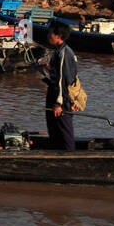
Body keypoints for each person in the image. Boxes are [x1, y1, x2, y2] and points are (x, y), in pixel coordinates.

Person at [41, 19, 79, 151]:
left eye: (50, 33)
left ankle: (70, 158)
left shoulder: (64, 53)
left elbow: (64, 80)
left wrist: (59, 104)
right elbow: (56, 76)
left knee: (64, 131)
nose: (48, 36)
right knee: (54, 130)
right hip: (55, 94)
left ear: (58, 36)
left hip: (62, 98)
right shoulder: (57, 52)